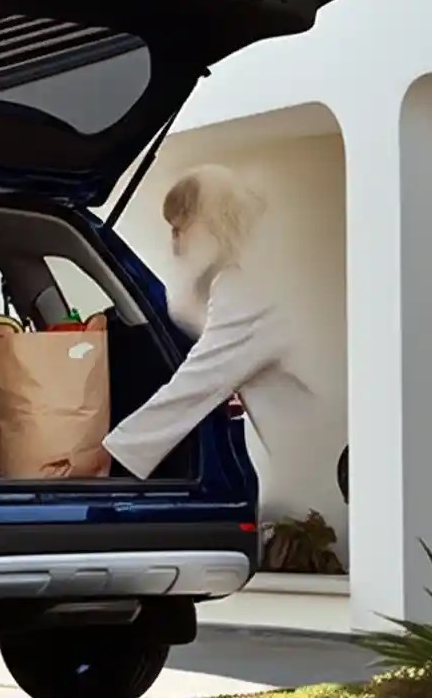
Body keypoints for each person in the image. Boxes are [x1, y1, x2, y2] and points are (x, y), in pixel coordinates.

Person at [102, 164, 314, 480]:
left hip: (317, 455)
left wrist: (108, 454)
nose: (175, 243)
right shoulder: (263, 272)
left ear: (210, 222)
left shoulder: (243, 286)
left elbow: (198, 383)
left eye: (180, 229)